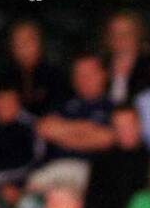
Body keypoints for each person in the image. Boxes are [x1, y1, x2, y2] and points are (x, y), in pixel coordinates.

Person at [32, 54, 115, 193]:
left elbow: (106, 139)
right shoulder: (63, 103)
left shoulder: (113, 107)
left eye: (90, 73)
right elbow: (44, 129)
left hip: (91, 172)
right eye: (79, 74)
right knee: (28, 203)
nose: (84, 79)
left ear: (103, 75)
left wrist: (63, 133)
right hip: (54, 169)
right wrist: (86, 128)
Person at [84, 105, 150, 208]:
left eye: (129, 125)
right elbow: (93, 205)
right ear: (113, 129)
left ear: (139, 125)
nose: (125, 131)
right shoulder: (101, 161)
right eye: (119, 127)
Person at [0, 20, 66, 118]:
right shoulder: (1, 78)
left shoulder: (56, 76)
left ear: (39, 43)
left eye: (28, 41)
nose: (23, 47)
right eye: (17, 42)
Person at [101, 10, 150, 106]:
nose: (120, 38)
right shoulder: (99, 66)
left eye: (127, 33)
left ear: (139, 35)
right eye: (114, 33)